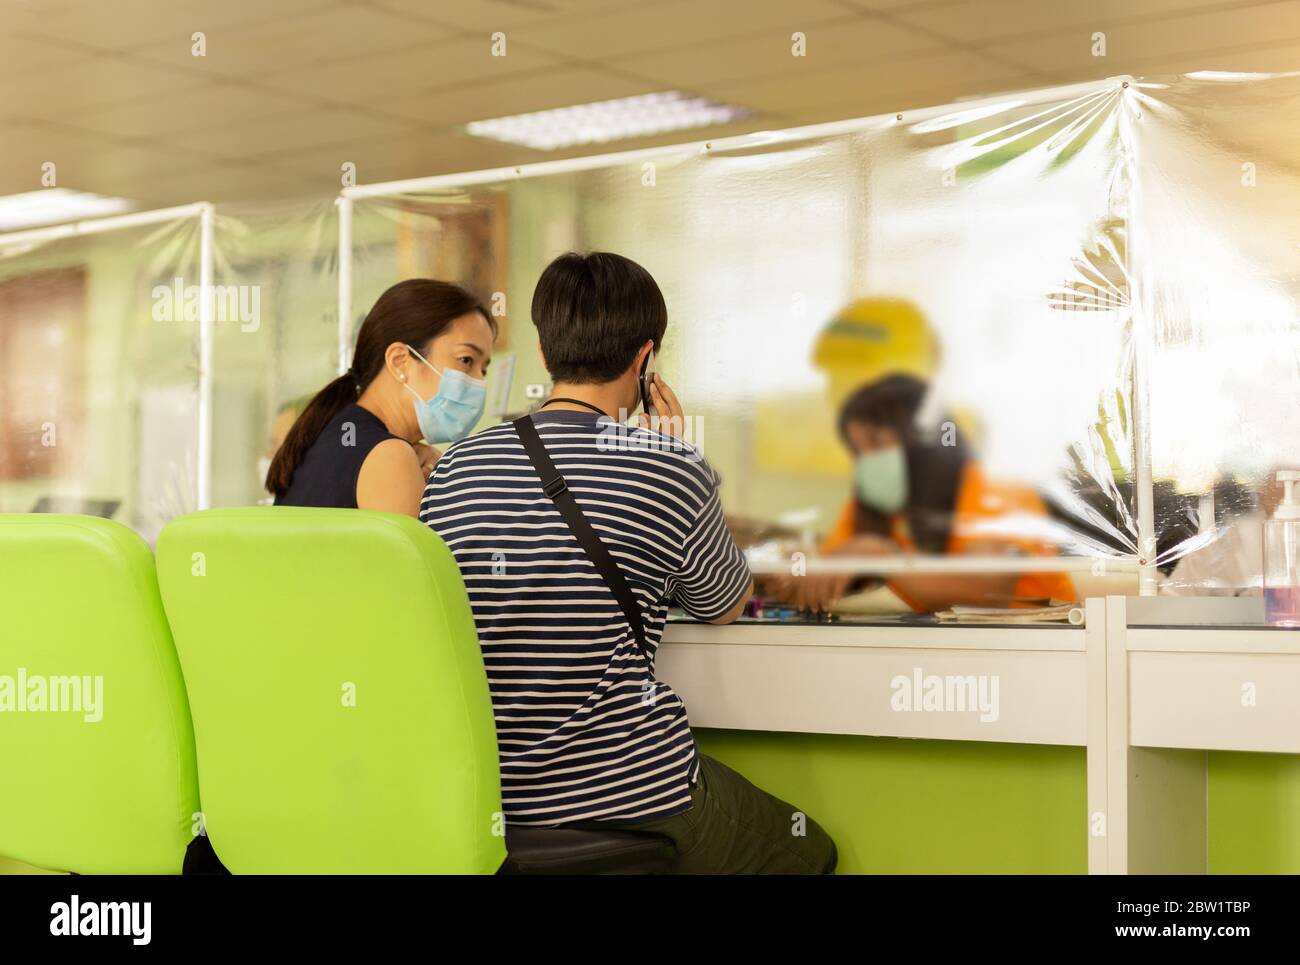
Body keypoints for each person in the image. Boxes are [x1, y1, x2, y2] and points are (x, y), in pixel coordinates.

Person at [420, 251, 837, 874]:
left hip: (490, 807)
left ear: (542, 349)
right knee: (809, 852)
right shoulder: (671, 467)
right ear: (646, 361)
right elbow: (722, 605)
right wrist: (677, 456)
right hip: (633, 796)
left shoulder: (456, 467)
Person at [775, 374, 1075, 613]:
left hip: (1042, 652)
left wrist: (880, 555)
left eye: (877, 442)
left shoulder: (997, 491)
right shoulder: (872, 506)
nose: (866, 461)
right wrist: (792, 575)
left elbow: (985, 589)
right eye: (857, 451)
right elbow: (823, 577)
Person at [265, 279, 496, 516]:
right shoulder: (388, 454)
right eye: (466, 360)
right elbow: (426, 555)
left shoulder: (330, 430)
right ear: (400, 361)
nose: (479, 381)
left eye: (484, 368)